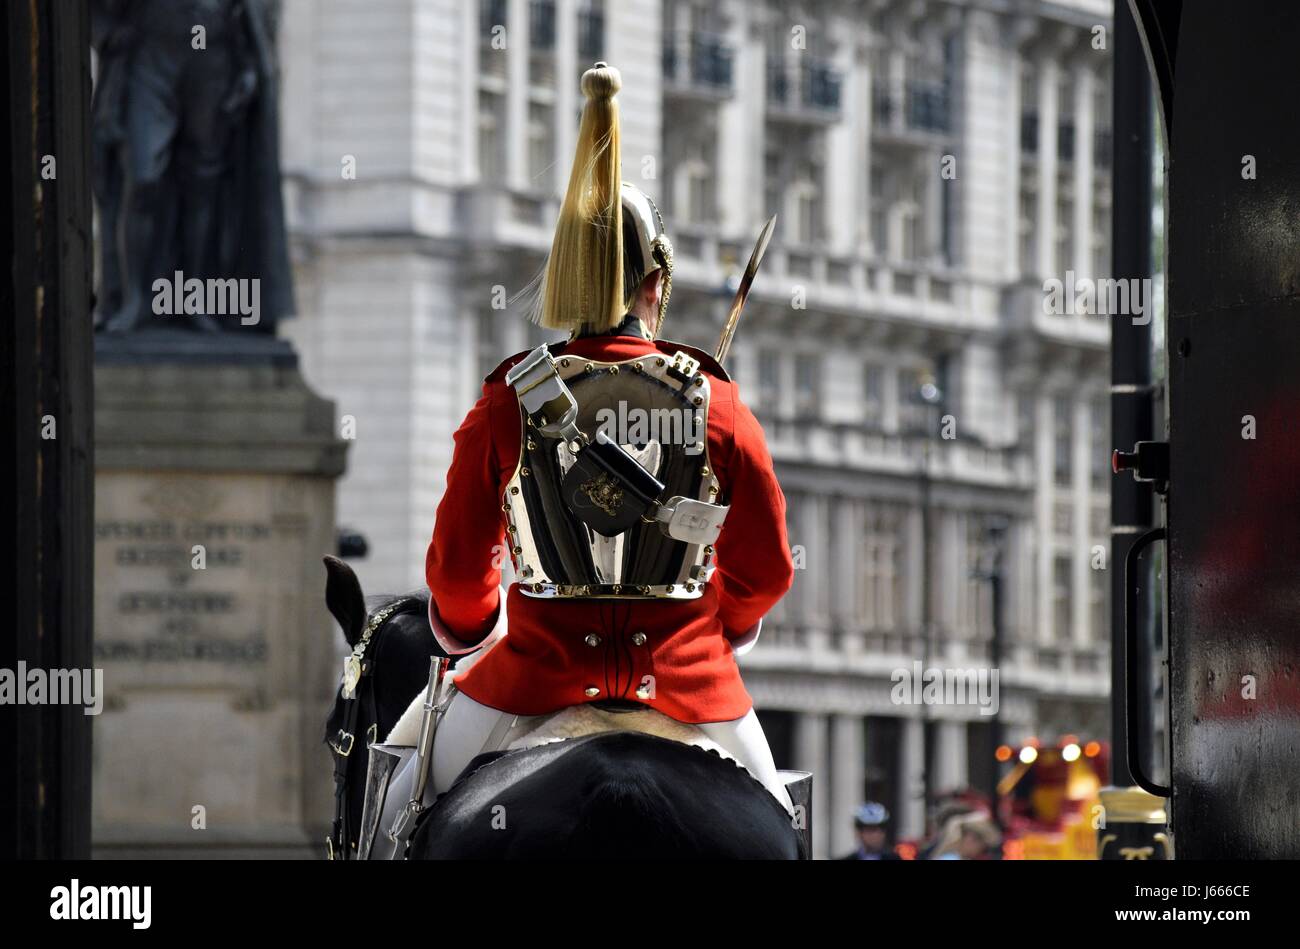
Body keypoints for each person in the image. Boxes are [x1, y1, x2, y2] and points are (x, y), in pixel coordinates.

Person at [379, 62, 796, 834]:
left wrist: (463, 629)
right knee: (780, 816)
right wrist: (729, 621)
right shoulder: (716, 403)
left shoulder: (509, 399)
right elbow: (766, 568)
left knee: (398, 801)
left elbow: (459, 568)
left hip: (533, 678)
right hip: (690, 684)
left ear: (565, 276)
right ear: (657, 283)